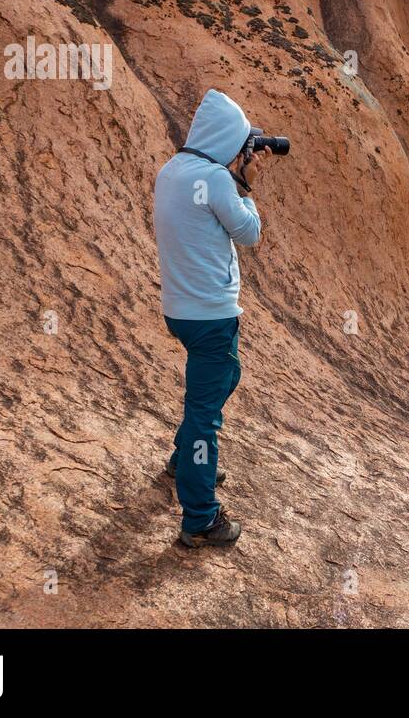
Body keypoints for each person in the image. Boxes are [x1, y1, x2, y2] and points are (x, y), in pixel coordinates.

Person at [153, 89, 275, 547]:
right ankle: (201, 518)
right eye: (246, 146)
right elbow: (250, 233)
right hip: (210, 317)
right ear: (229, 143)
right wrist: (247, 184)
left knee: (225, 378)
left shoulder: (172, 170)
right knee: (206, 414)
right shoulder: (219, 181)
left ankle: (184, 459)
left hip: (180, 311)